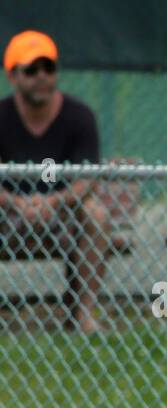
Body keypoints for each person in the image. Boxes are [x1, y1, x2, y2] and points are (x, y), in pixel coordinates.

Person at [0, 30, 107, 333]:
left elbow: (87, 178)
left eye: (49, 68)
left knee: (95, 214)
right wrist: (17, 202)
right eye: (31, 70)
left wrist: (54, 201)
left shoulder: (79, 115)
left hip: (63, 212)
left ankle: (83, 315)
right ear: (12, 76)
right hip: (6, 212)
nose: (41, 77)